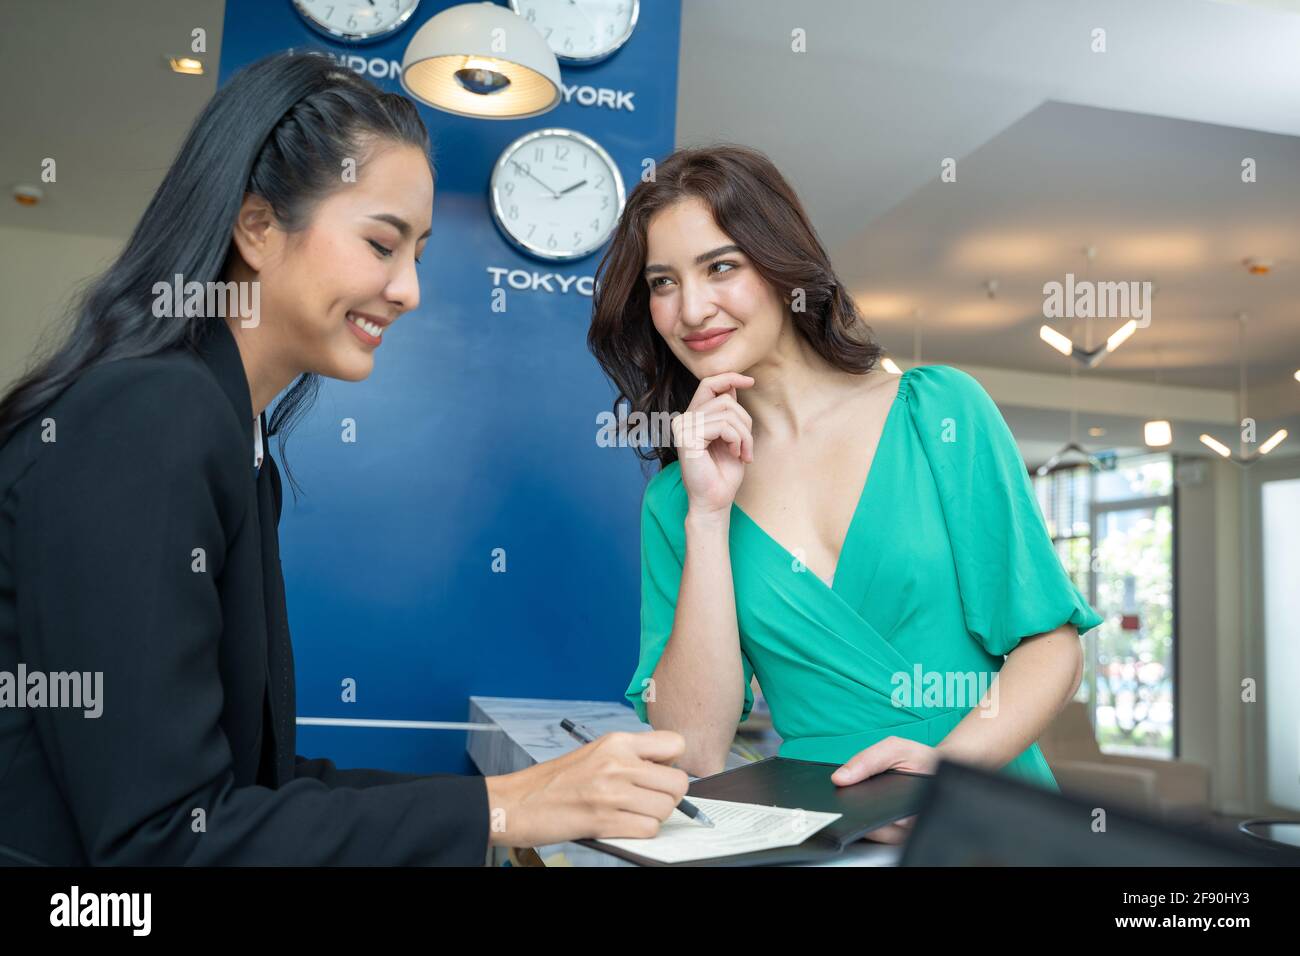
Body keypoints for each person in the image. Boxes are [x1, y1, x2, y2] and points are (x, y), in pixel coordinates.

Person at [0, 51, 688, 866]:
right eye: (381, 243)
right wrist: (502, 809)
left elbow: (257, 786)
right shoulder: (148, 417)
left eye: (418, 255)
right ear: (257, 227)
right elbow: (163, 842)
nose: (409, 291)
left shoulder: (227, 432)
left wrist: (526, 797)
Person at [588, 145, 1103, 843]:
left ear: (780, 263)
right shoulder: (680, 501)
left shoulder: (939, 412)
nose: (692, 308)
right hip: (821, 834)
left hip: (983, 812)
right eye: (663, 283)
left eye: (721, 267)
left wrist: (942, 773)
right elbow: (697, 746)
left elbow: (1052, 645)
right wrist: (708, 518)